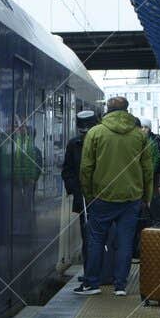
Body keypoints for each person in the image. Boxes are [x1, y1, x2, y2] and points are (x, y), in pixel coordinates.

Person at [75, 96, 153, 296]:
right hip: (131, 197)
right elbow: (147, 168)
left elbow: (86, 168)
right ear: (127, 110)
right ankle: (120, 286)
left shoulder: (95, 133)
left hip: (102, 196)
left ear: (107, 110)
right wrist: (147, 196)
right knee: (125, 241)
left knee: (96, 240)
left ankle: (92, 283)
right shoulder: (139, 135)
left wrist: (89, 194)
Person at [61, 108, 98, 282]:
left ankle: (103, 271)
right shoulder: (73, 144)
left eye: (87, 131)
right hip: (83, 197)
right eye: (82, 131)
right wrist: (75, 189)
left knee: (101, 235)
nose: (84, 135)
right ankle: (89, 272)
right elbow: (67, 170)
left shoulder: (102, 142)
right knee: (87, 235)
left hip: (103, 197)